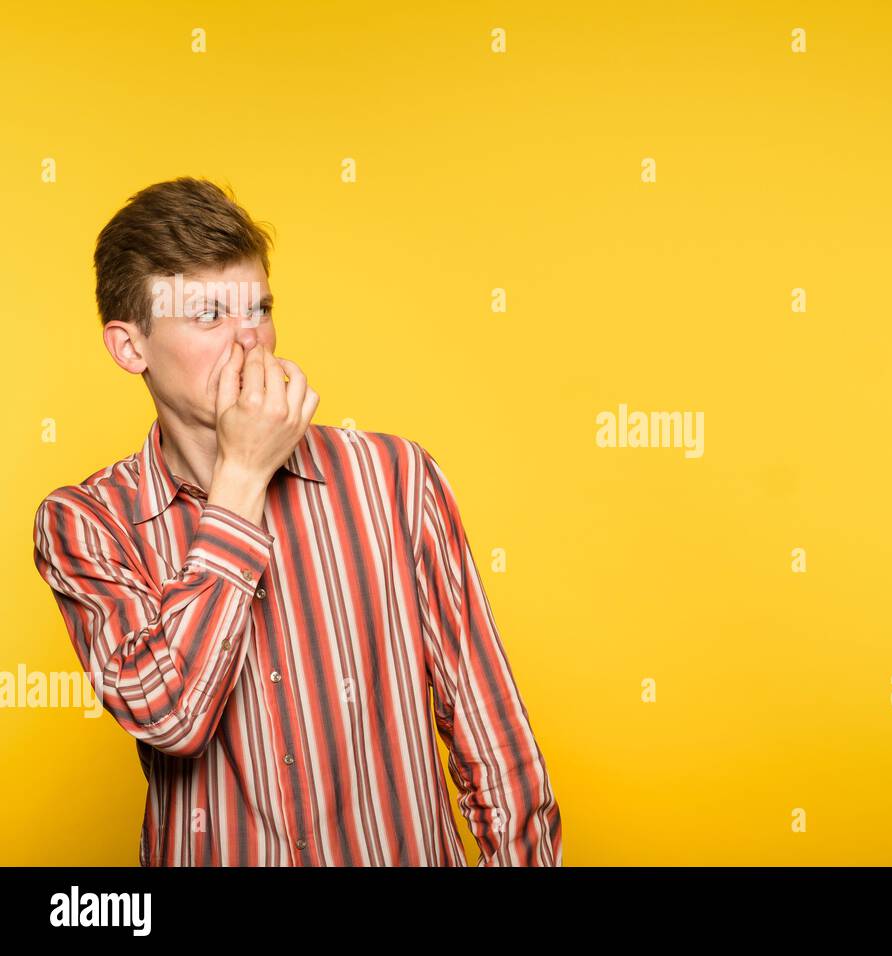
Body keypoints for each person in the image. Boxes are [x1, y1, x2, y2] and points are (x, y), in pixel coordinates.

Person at [31, 177, 562, 866]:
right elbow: (171, 717)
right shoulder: (86, 524)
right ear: (131, 348)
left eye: (258, 306)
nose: (249, 337)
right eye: (208, 315)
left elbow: (495, 745)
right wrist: (243, 477)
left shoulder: (395, 479)